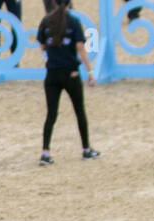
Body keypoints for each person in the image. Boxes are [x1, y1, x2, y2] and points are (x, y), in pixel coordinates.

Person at [37, 0, 98, 166]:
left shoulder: (46, 21)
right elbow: (80, 48)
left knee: (51, 114)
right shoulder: (73, 22)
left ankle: (45, 152)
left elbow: (42, 47)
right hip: (70, 73)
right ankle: (86, 149)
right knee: (79, 111)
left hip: (52, 74)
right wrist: (90, 72)